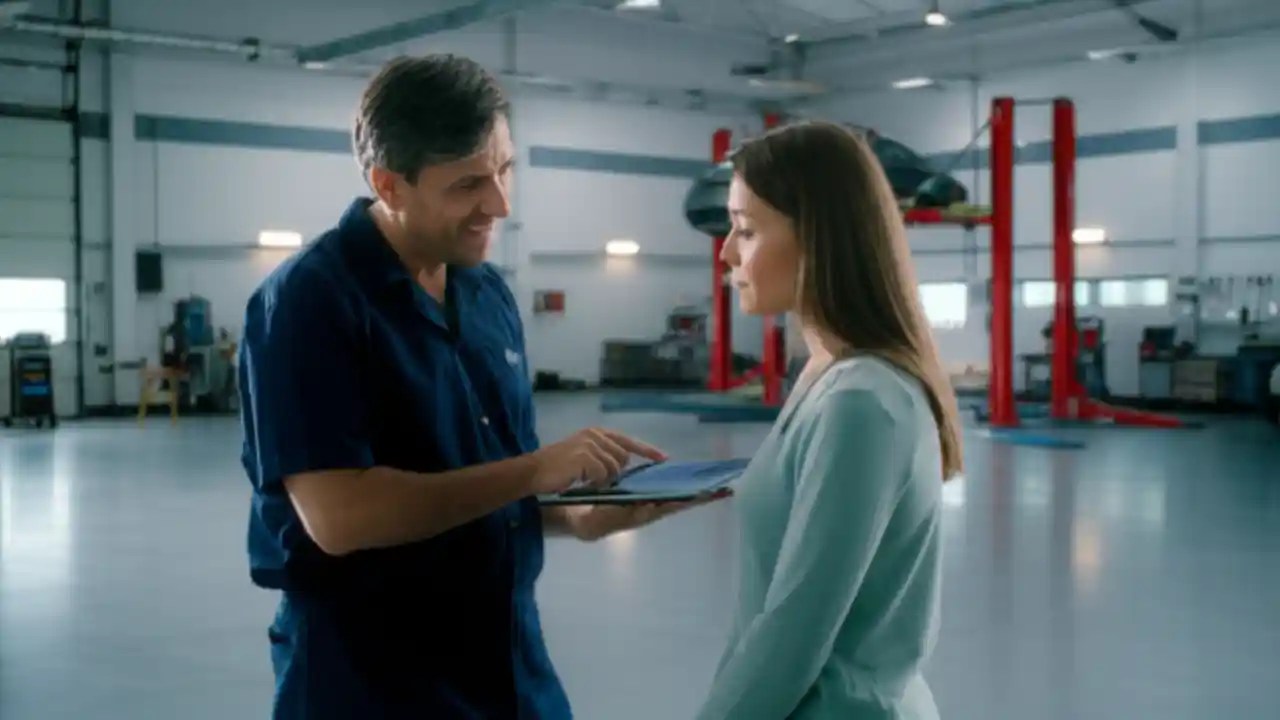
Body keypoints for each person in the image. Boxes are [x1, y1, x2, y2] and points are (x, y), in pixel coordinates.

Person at [238, 54, 696, 719]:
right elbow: (340, 517)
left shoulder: (486, 294)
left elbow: (496, 481)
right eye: (468, 184)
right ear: (389, 184)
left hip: (509, 666)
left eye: (505, 169)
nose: (501, 203)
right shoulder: (311, 302)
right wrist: (534, 472)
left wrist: (577, 513)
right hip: (370, 681)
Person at [693, 121, 964, 719]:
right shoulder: (825, 375)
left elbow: (793, 633)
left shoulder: (860, 401)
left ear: (817, 238)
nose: (727, 252)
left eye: (746, 230)